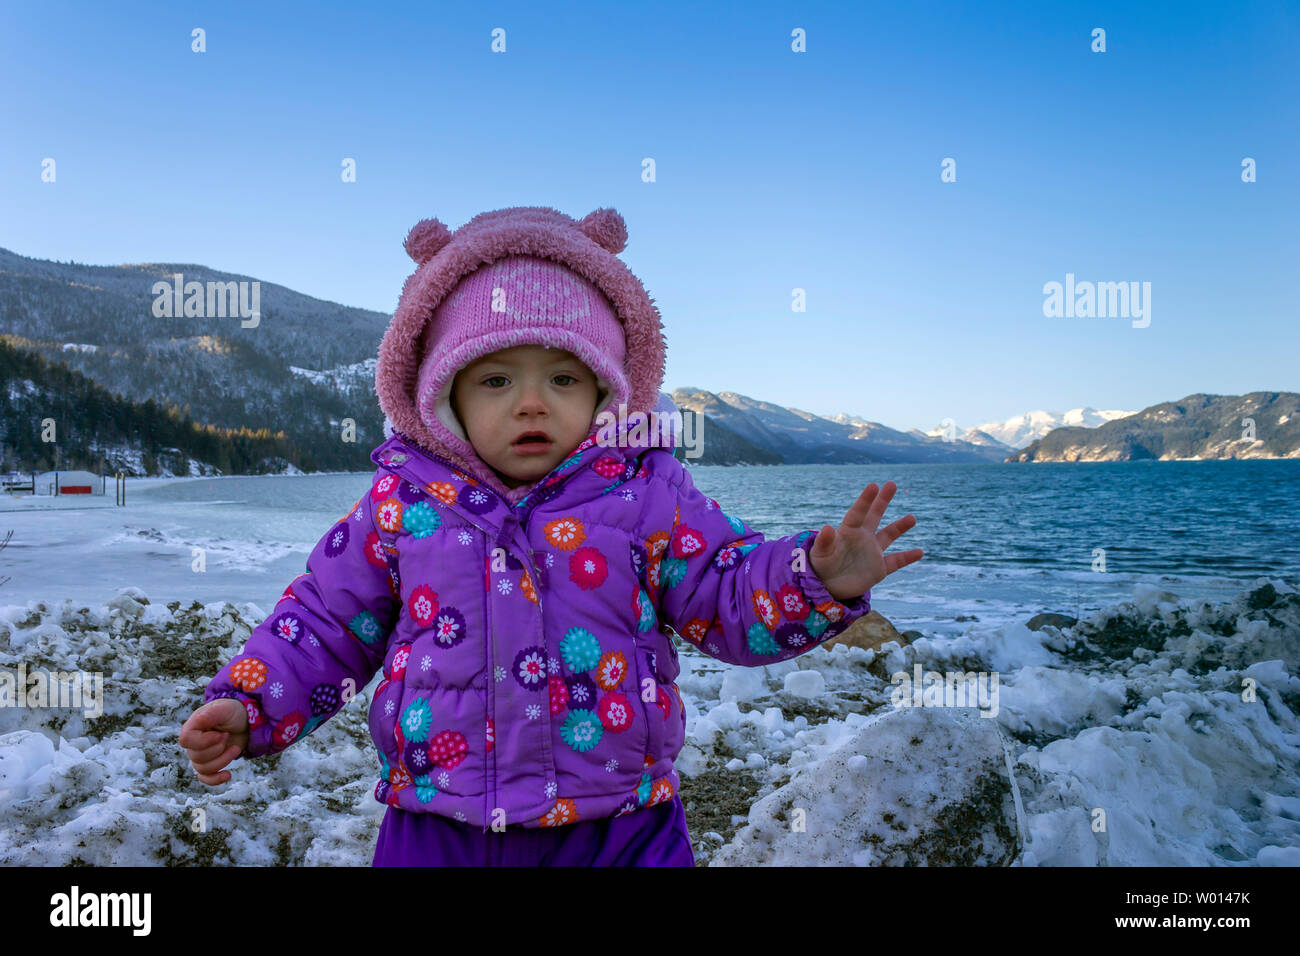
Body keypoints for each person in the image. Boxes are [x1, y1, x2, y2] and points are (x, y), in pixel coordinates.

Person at [178, 205, 923, 866]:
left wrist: (812, 579)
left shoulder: (644, 493)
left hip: (620, 823)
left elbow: (725, 593)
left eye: (564, 379)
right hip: (440, 821)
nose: (531, 403)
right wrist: (251, 705)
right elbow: (326, 621)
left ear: (605, 391)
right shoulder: (402, 503)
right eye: (497, 380)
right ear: (443, 398)